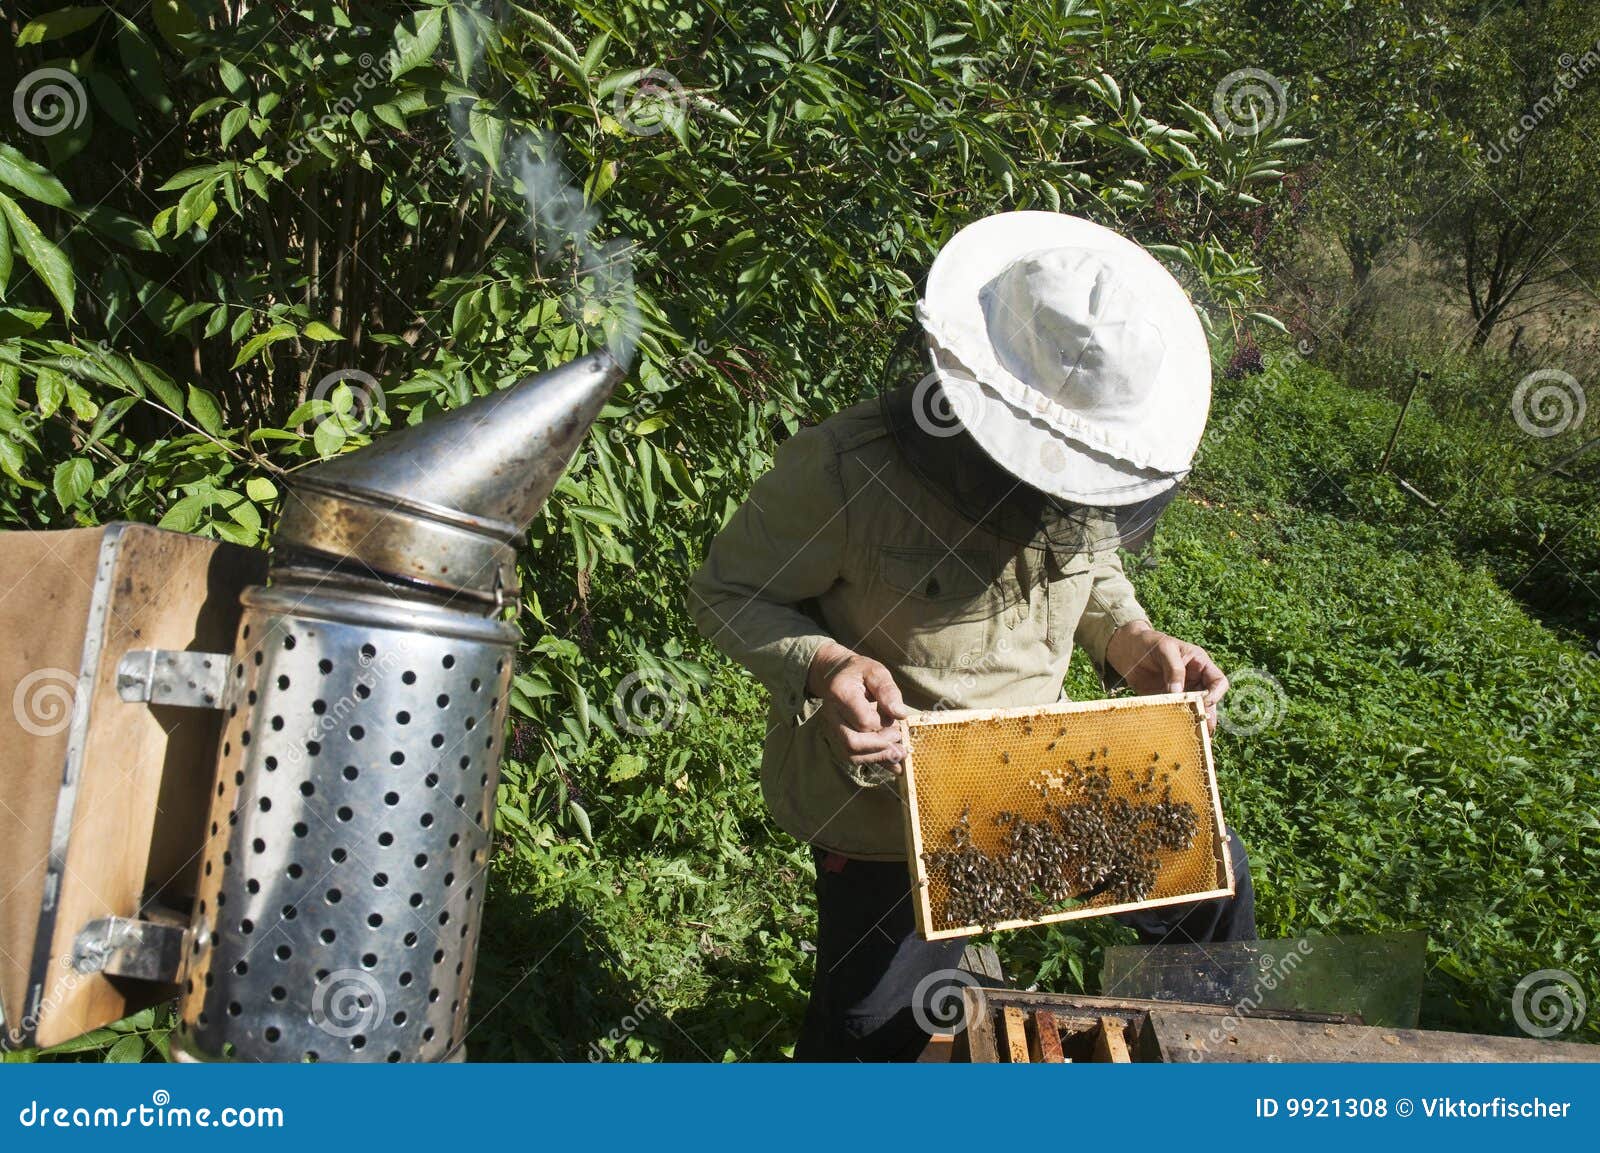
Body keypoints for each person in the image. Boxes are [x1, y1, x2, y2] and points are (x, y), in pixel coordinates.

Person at [689, 211, 1255, 1061]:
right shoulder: (845, 469)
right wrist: (825, 664)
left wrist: (1137, 644)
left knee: (1215, 888)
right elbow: (727, 591)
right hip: (893, 811)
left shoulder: (1078, 481)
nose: (1051, 486)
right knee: (868, 1035)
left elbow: (1088, 568)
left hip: (1039, 771)